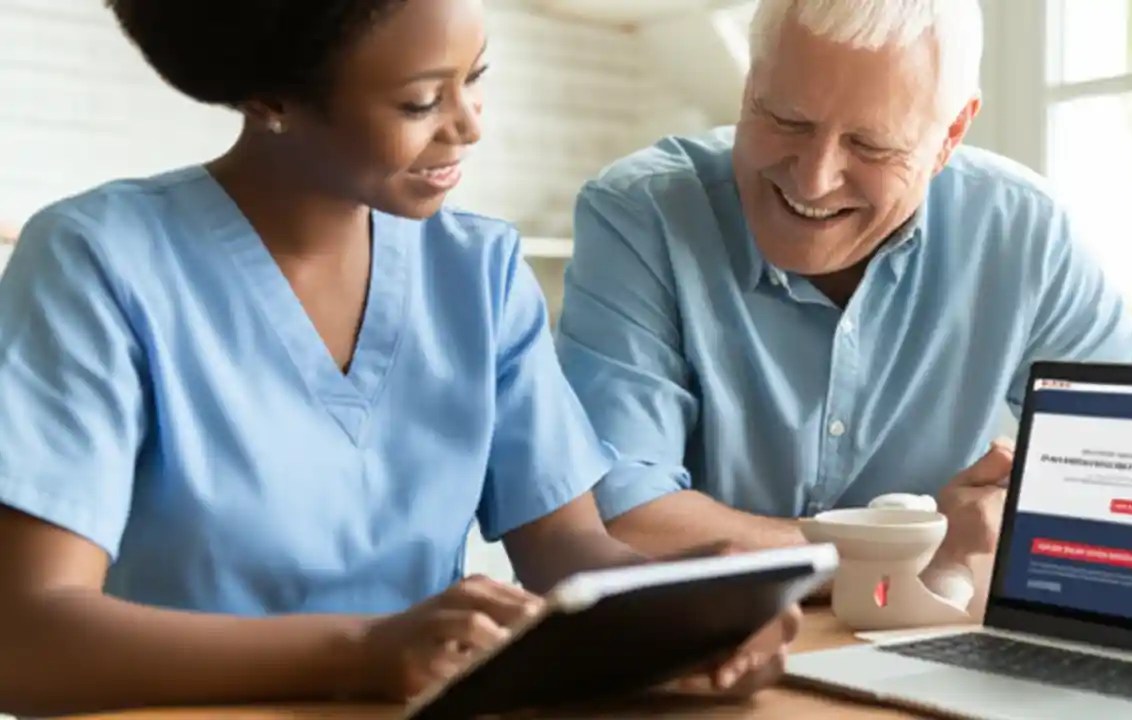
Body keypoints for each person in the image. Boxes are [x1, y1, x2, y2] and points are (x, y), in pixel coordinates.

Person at [0, 1, 798, 715]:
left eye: (474, 77)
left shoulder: (478, 272)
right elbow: (25, 640)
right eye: (420, 101)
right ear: (270, 98)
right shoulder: (98, 261)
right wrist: (363, 654)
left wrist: (683, 614)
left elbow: (567, 553)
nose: (468, 124)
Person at [555, 0, 1132, 610]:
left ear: (951, 134)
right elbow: (619, 521)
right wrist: (911, 551)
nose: (814, 180)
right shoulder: (642, 214)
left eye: (870, 145)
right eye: (787, 120)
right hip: (707, 652)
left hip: (932, 644)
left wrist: (1028, 514)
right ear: (750, 85)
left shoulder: (1022, 232)